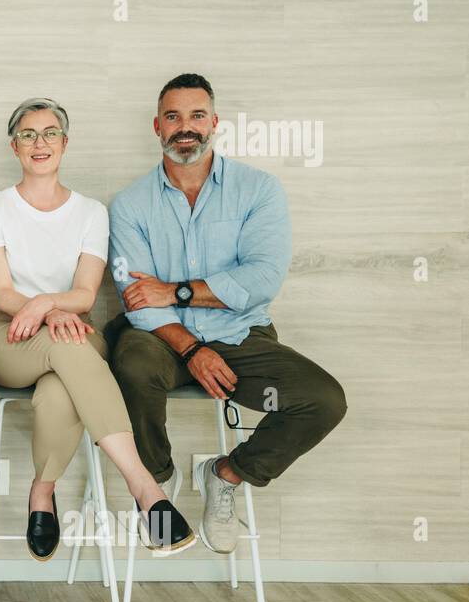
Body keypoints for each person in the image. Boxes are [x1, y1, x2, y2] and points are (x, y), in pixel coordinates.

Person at [106, 73, 347, 553]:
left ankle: (225, 474)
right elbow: (137, 300)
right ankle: (156, 488)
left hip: (239, 336)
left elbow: (259, 281)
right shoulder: (130, 204)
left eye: (197, 115)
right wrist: (191, 347)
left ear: (214, 122)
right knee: (132, 362)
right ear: (157, 126)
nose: (185, 127)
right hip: (161, 339)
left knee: (322, 400)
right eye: (173, 116)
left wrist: (173, 291)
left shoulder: (259, 190)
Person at [0, 97, 195, 558]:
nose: (40, 143)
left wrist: (53, 305)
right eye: (28, 134)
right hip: (6, 333)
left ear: (65, 144)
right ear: (14, 146)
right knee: (68, 349)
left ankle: (41, 493)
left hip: (73, 329)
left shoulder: (92, 212)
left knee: (59, 389)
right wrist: (48, 310)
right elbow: (5, 293)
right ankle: (146, 490)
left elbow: (86, 295)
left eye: (50, 133)